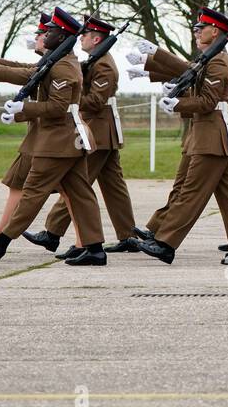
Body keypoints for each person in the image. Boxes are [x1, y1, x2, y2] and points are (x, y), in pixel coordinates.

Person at [0, 7, 107, 266]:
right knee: (80, 195)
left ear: (61, 36)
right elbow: (28, 73)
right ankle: (95, 249)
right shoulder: (58, 60)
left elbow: (57, 107)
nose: (44, 35)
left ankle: (1, 242)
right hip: (66, 140)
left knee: (33, 192)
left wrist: (24, 108)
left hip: (58, 141)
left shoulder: (63, 67)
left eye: (50, 32)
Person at [134, 7, 228, 265]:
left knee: (191, 193)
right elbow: (189, 71)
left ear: (216, 31)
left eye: (201, 28)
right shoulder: (209, 59)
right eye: (195, 28)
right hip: (208, 135)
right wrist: (154, 65)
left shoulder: (219, 62)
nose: (196, 32)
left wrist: (177, 103)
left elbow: (207, 102)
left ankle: (165, 243)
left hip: (212, 137)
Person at [19, 15, 139, 256]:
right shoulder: (94, 61)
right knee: (113, 187)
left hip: (99, 130)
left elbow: (95, 102)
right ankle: (128, 235)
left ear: (96, 39)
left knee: (77, 185)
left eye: (85, 35)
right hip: (101, 130)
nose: (80, 38)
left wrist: (69, 98)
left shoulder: (103, 65)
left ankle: (53, 232)